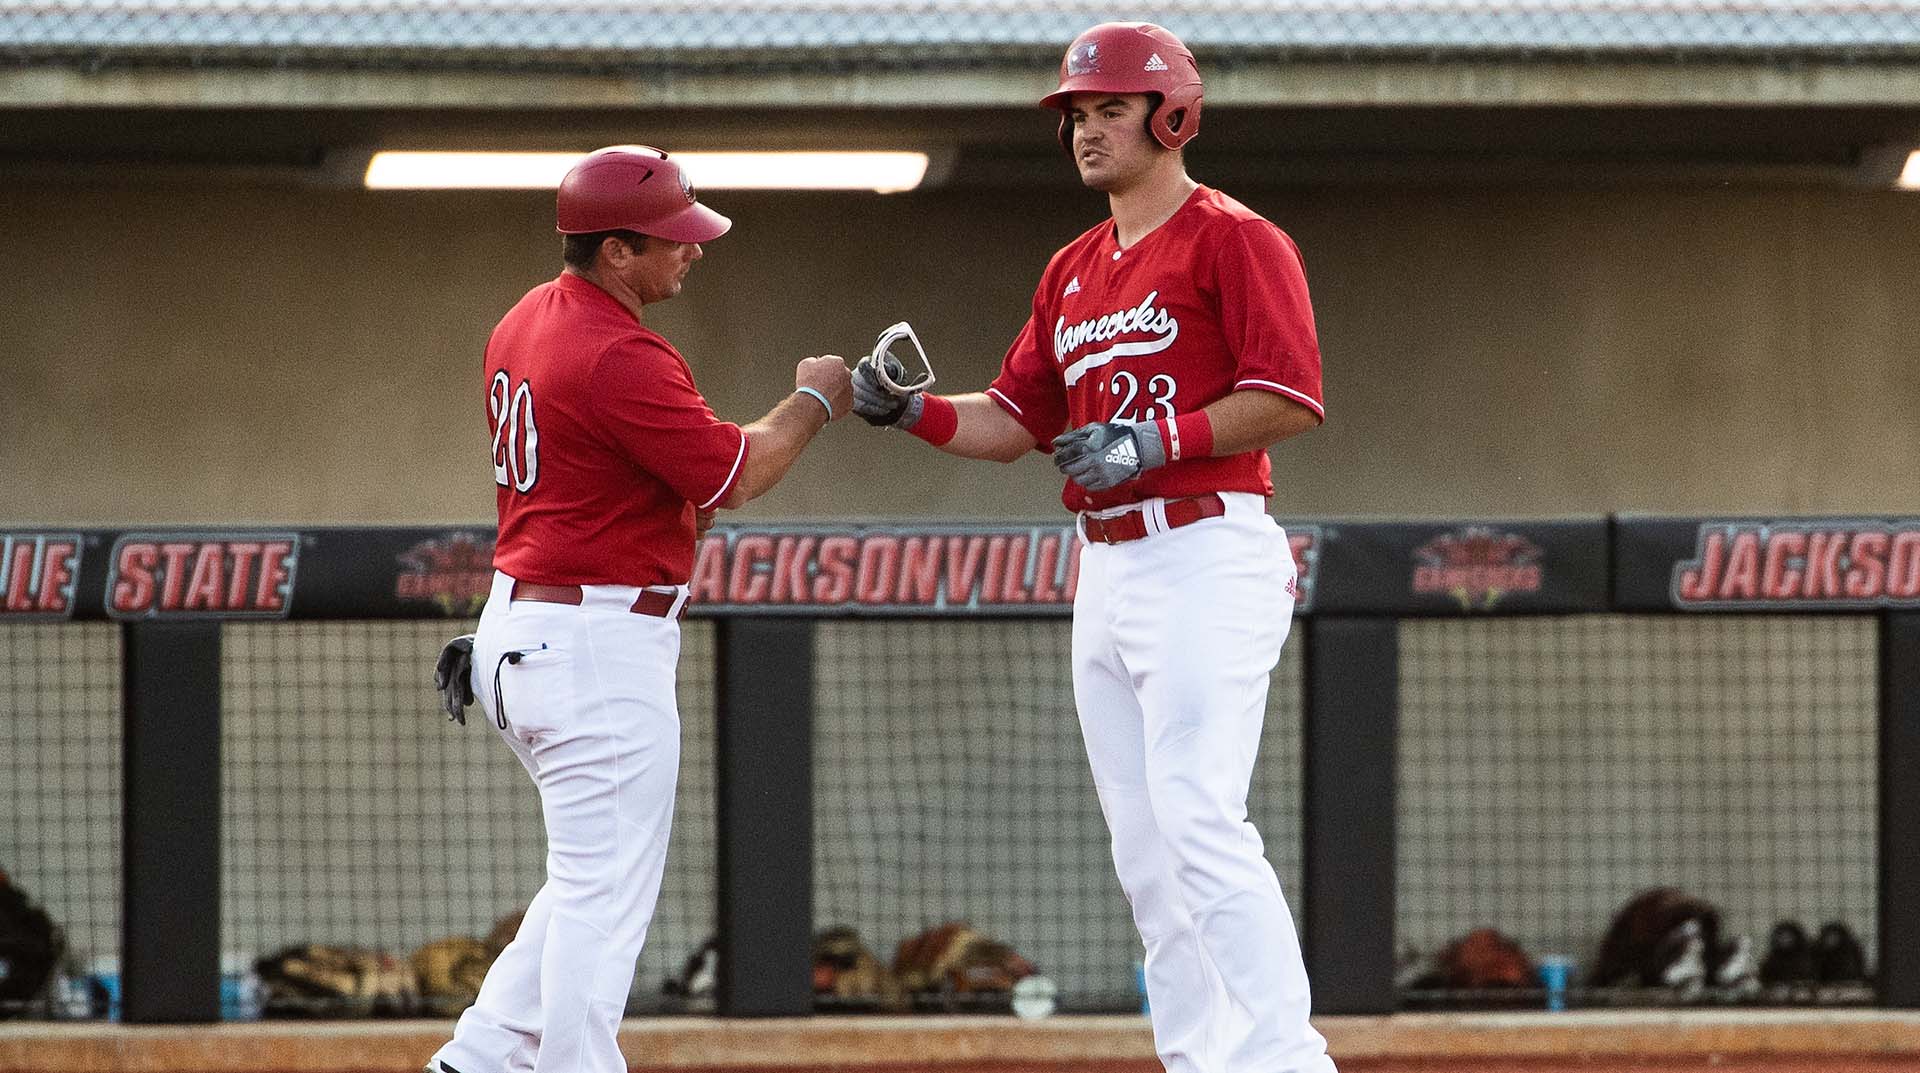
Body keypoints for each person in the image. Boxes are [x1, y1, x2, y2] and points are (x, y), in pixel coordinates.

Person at [852, 23, 1336, 1073]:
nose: (1085, 128)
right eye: (1077, 111)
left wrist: (1157, 439)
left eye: (1109, 107)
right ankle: (1203, 1060)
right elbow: (1016, 420)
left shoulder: (1236, 237)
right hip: (1108, 567)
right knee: (1149, 859)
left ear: (1172, 116)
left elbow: (1291, 397)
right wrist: (913, 412)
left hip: (1206, 550)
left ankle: (1285, 1059)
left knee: (1200, 817)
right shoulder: (1073, 267)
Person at [428, 145, 852, 1073]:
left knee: (586, 877)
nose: (693, 250)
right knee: (601, 895)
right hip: (589, 642)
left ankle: (479, 1057)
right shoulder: (617, 349)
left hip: (528, 621)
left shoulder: (526, 317)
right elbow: (737, 474)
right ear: (616, 249)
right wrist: (816, 398)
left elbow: (619, 481)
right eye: (673, 238)